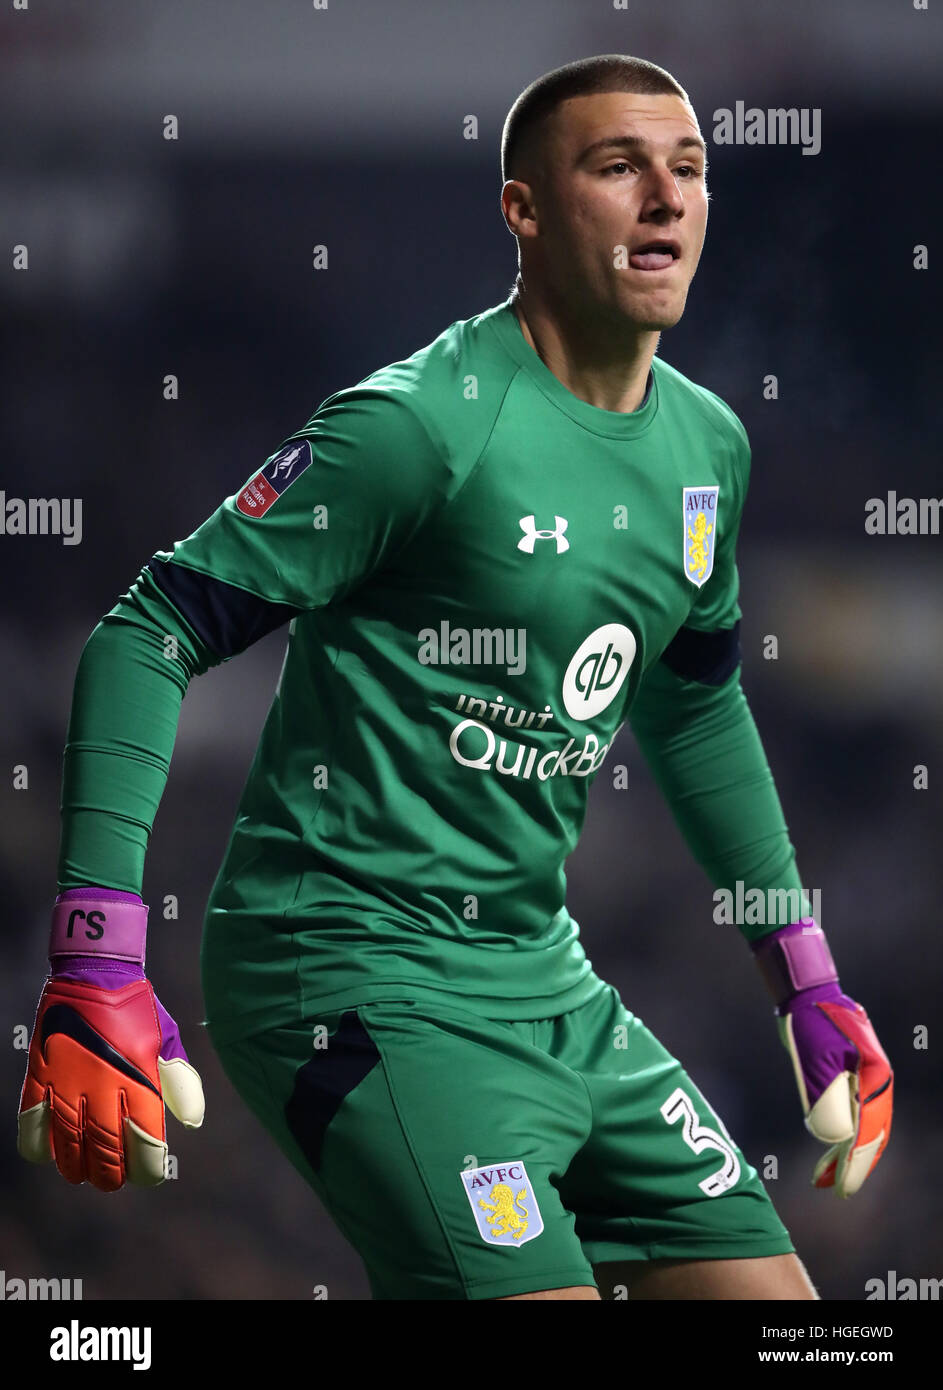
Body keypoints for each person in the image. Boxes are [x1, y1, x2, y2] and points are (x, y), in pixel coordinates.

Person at [18, 54, 892, 1301]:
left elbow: (693, 703)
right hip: (347, 968)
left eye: (687, 170)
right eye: (617, 167)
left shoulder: (708, 444)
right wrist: (96, 953)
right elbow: (148, 628)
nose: (665, 198)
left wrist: (804, 973)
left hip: (542, 976)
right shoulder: (421, 427)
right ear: (522, 210)